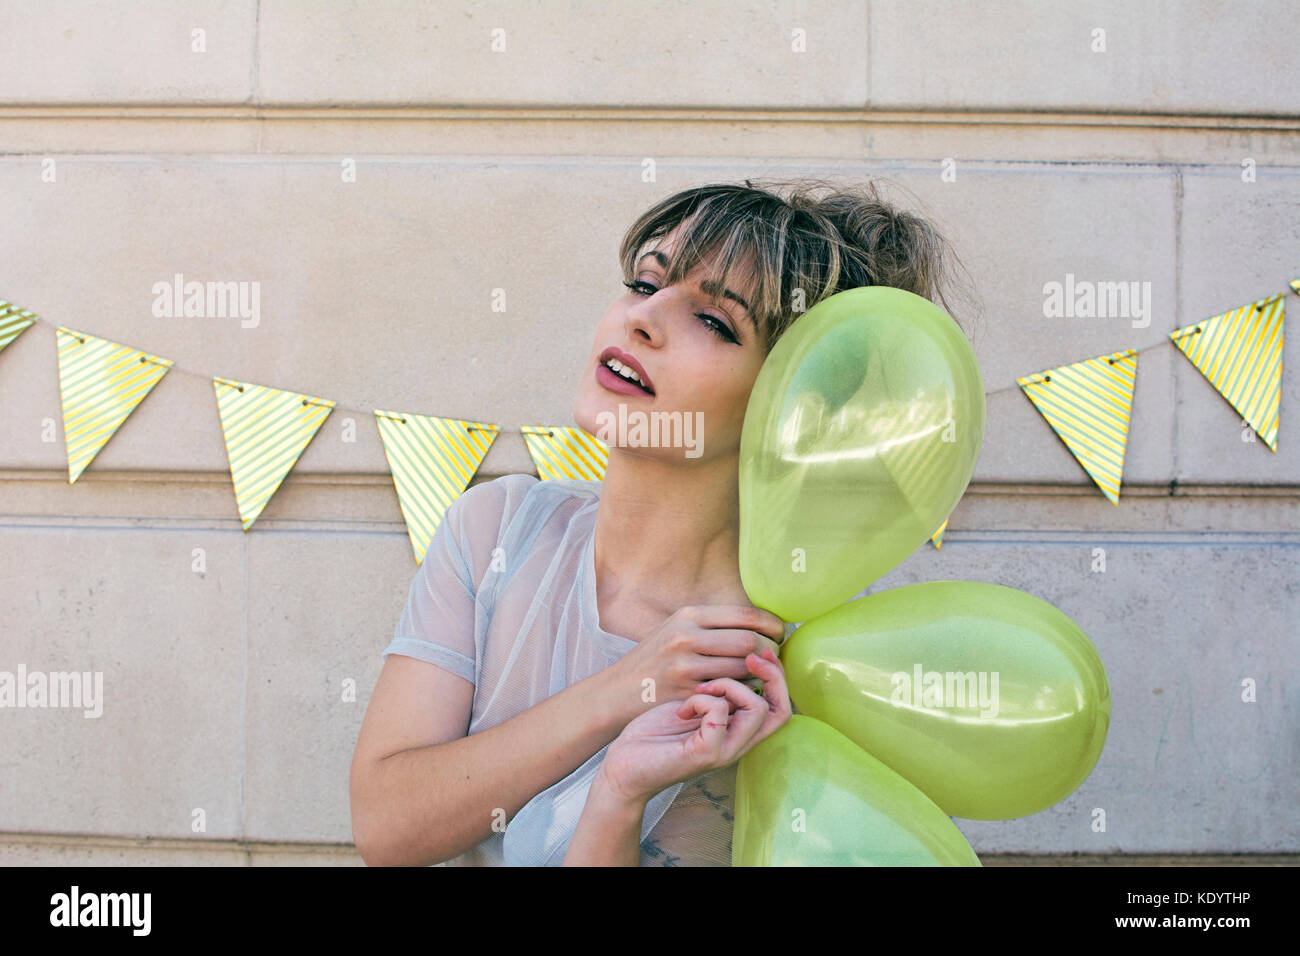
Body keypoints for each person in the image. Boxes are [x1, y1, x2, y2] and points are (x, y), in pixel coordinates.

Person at [349, 177, 974, 866]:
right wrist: (622, 691)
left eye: (715, 322)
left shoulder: (795, 674)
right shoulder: (496, 530)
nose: (642, 321)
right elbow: (387, 827)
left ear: (792, 407)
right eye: (646, 283)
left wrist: (619, 794)